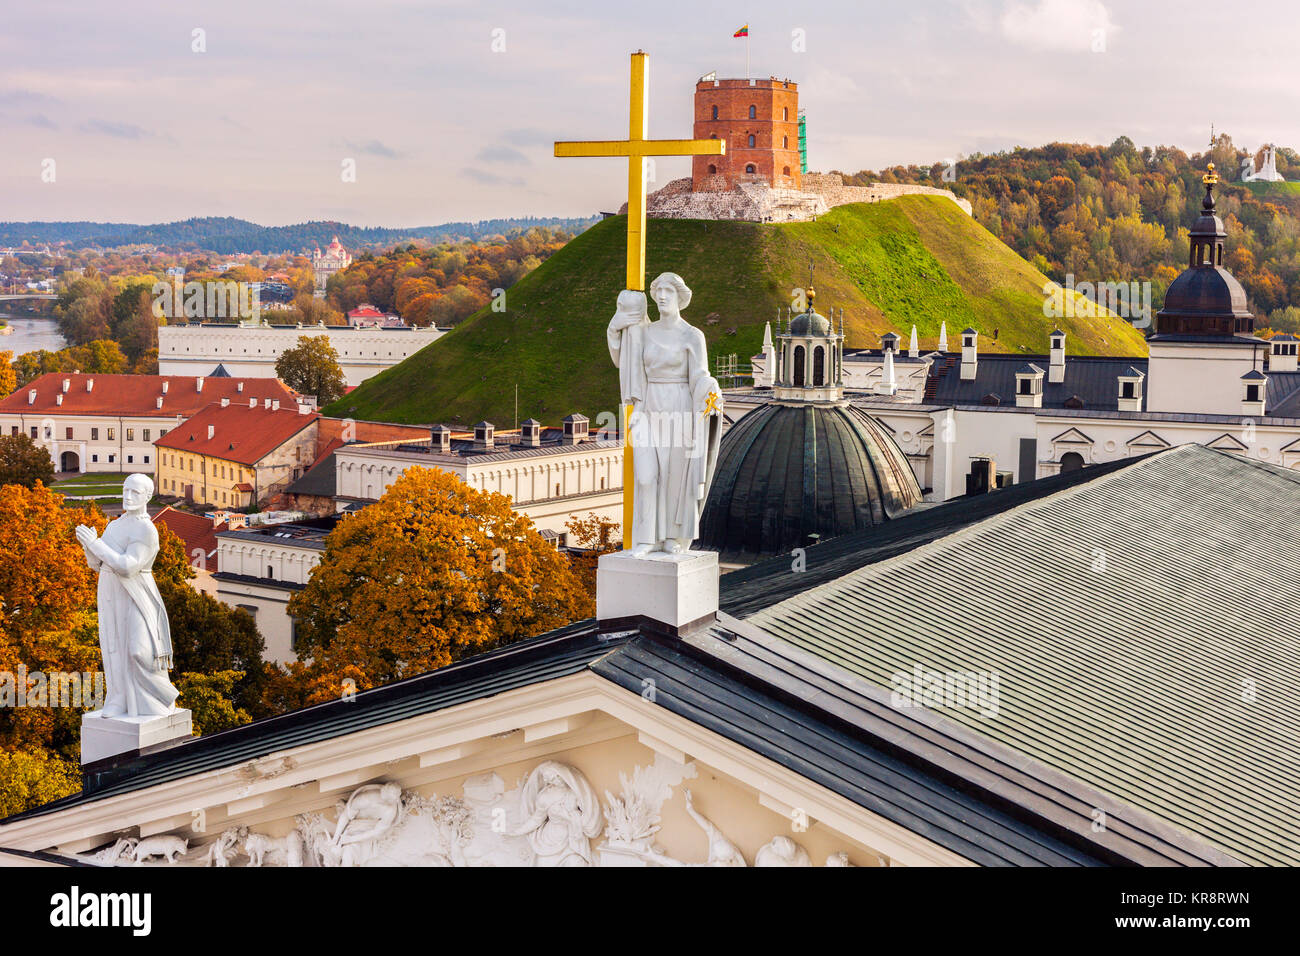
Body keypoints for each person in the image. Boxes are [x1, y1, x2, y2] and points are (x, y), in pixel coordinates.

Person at [606, 273, 723, 556]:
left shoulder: (693, 336)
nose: (661, 297)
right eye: (658, 291)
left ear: (680, 296)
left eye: (668, 291)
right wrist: (613, 329)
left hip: (680, 406)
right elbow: (625, 364)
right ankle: (646, 538)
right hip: (649, 406)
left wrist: (711, 392)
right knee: (646, 476)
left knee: (675, 475)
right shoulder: (644, 332)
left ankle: (672, 535)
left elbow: (700, 376)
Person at [75, 474, 178, 717]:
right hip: (110, 587)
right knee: (112, 645)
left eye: (135, 492)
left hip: (136, 591)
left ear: (148, 497)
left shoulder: (146, 530)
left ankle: (159, 698)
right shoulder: (115, 525)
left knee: (138, 650)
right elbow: (99, 564)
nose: (128, 496)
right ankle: (118, 698)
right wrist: (88, 547)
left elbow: (128, 566)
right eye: (125, 490)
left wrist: (96, 544)